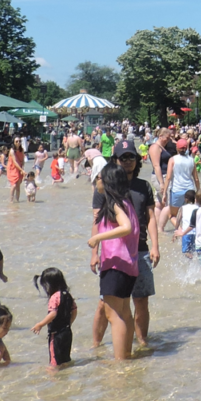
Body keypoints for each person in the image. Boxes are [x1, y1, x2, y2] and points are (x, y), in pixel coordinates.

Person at [90, 140, 160, 350]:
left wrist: (155, 246)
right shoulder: (104, 191)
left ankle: (141, 342)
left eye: (132, 157)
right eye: (123, 157)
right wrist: (95, 253)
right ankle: (97, 345)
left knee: (139, 301)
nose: (128, 161)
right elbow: (97, 222)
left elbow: (150, 218)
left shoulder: (142, 186)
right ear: (116, 161)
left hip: (137, 251)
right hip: (116, 255)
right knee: (107, 306)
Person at [88, 163, 139, 360]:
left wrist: (98, 238)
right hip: (129, 266)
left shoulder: (114, 204)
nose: (96, 181)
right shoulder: (127, 203)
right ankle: (126, 355)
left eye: (99, 178)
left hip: (116, 265)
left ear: (108, 182)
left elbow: (125, 227)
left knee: (112, 315)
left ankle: (120, 362)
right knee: (125, 312)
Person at [29, 268, 78, 369]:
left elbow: (53, 314)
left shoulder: (54, 297)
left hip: (56, 334)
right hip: (67, 332)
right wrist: (69, 323)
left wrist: (40, 324)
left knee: (54, 363)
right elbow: (74, 310)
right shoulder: (68, 295)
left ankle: (53, 380)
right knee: (65, 359)